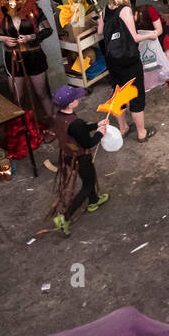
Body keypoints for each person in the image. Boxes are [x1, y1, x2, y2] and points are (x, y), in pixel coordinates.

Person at [97, 0, 156, 143]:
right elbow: (135, 37)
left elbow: (100, 31)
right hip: (128, 59)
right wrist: (151, 35)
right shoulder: (125, 10)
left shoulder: (105, 9)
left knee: (118, 93)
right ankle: (141, 132)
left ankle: (123, 128)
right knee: (135, 94)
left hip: (112, 60)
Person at [0, 0, 55, 124]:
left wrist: (31, 37)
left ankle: (53, 124)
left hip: (34, 56)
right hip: (13, 59)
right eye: (10, 6)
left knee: (41, 94)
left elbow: (48, 30)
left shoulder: (34, 10)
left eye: (17, 6)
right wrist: (2, 38)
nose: (13, 9)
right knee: (17, 97)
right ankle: (22, 129)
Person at [49, 85, 111, 236]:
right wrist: (99, 134)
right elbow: (87, 143)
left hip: (69, 155)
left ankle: (93, 201)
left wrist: (97, 124)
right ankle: (65, 217)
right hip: (81, 157)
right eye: (76, 98)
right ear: (71, 104)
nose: (78, 99)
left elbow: (80, 129)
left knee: (87, 177)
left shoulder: (59, 116)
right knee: (88, 184)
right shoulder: (75, 123)